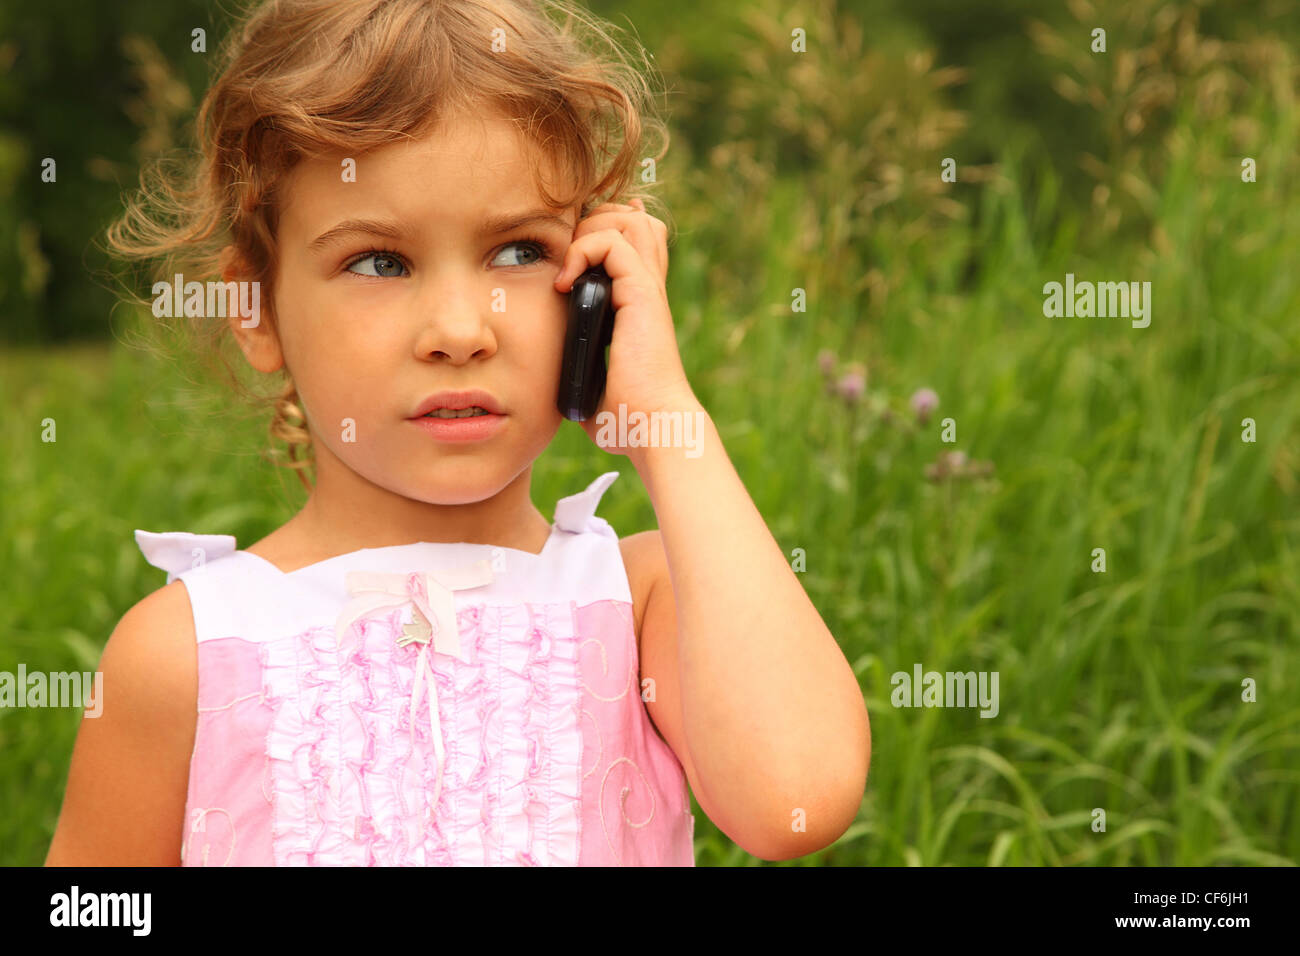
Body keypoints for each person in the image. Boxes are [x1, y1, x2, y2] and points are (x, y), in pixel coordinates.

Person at [45, 0, 869, 866]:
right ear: (253, 309)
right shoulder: (186, 653)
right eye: (379, 262)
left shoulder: (641, 603)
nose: (460, 329)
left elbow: (797, 800)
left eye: (518, 251)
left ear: (594, 285)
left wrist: (664, 417)